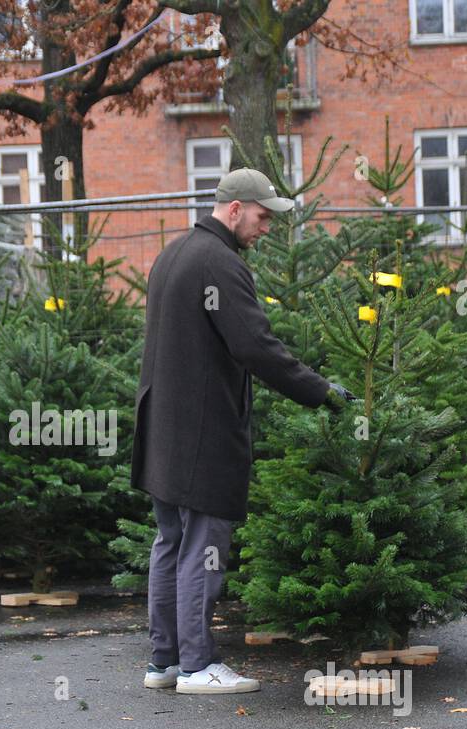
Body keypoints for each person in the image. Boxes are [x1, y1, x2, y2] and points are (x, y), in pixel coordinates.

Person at [131, 168, 354, 694]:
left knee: (171, 541)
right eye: (262, 216)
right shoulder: (219, 262)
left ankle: (165, 662)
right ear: (235, 210)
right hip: (202, 432)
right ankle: (196, 666)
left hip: (162, 426)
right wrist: (320, 391)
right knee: (201, 546)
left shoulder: (173, 254)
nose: (267, 227)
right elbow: (254, 346)